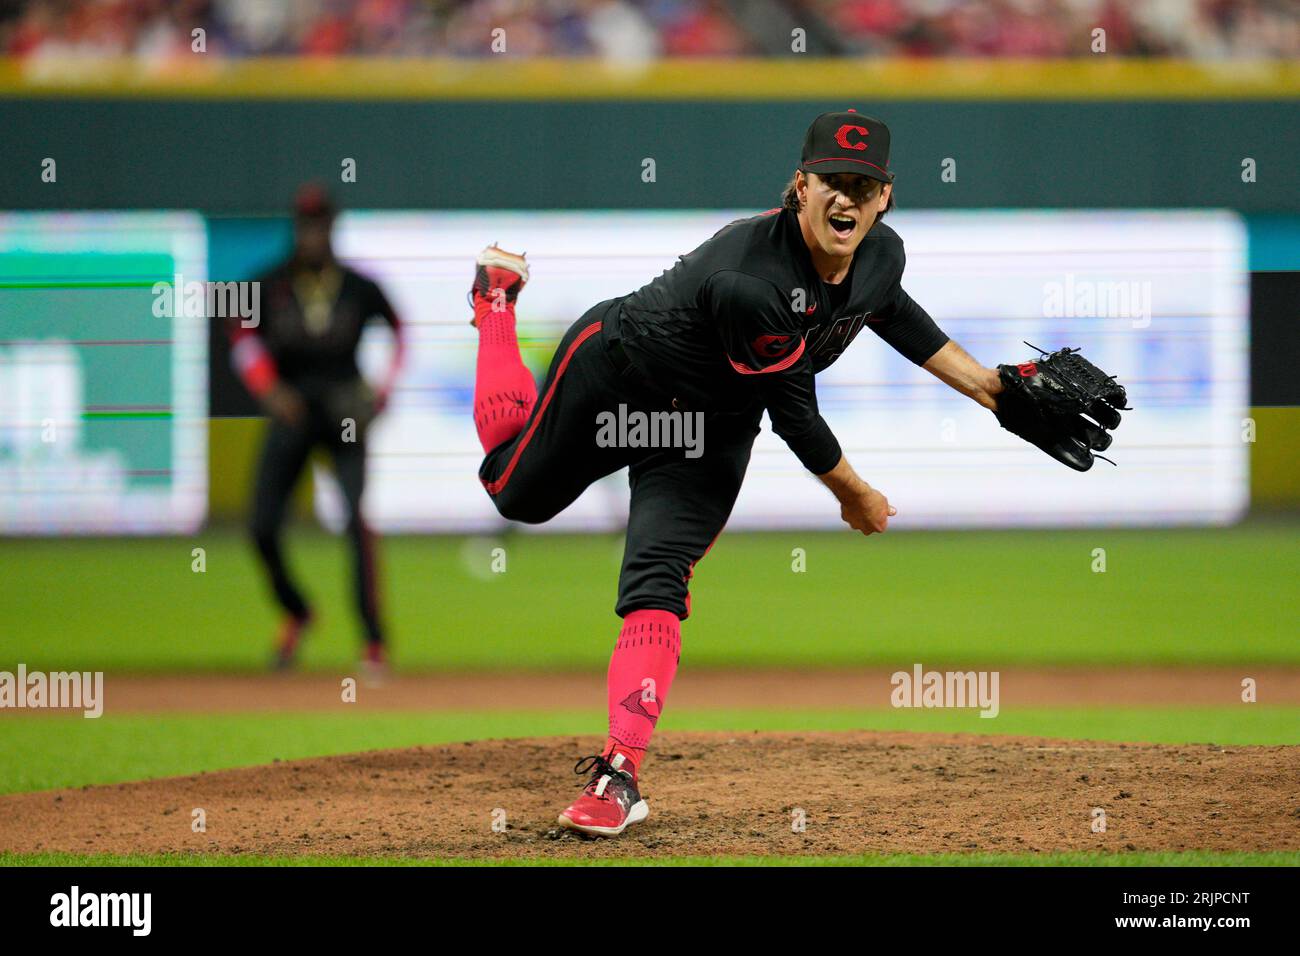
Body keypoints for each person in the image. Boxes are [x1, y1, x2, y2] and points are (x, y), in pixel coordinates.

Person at [469, 110, 1005, 837]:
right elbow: (795, 414)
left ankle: (618, 773)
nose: (846, 199)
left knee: (656, 581)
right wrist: (857, 494)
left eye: (863, 185)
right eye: (831, 183)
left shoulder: (883, 255)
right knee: (511, 491)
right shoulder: (752, 278)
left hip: (707, 429)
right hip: (616, 379)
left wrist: (992, 389)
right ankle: (495, 303)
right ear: (799, 187)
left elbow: (894, 314)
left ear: (886, 199)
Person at [229, 183, 404, 675]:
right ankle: (297, 611)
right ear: (296, 228)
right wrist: (267, 388)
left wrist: (384, 390)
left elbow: (400, 331)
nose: (313, 233)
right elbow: (241, 337)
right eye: (306, 224)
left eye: (321, 223)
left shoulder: (357, 286)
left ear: (332, 227)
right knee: (262, 526)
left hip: (346, 409)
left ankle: (373, 642)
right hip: (292, 409)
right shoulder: (269, 284)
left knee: (355, 522)